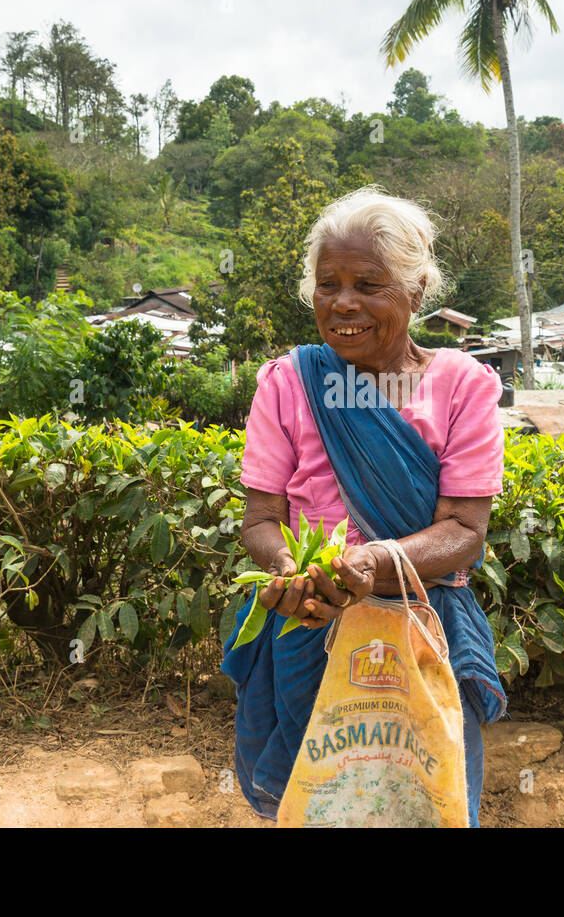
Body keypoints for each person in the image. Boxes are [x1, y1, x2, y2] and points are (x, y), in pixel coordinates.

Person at [221, 185, 508, 827]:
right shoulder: (290, 381)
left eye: (368, 284)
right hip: (311, 624)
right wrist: (296, 576)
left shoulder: (461, 386)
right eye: (329, 283)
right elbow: (262, 522)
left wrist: (371, 564)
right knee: (317, 797)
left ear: (416, 289)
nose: (343, 303)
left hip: (421, 625)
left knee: (421, 798)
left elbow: (464, 529)